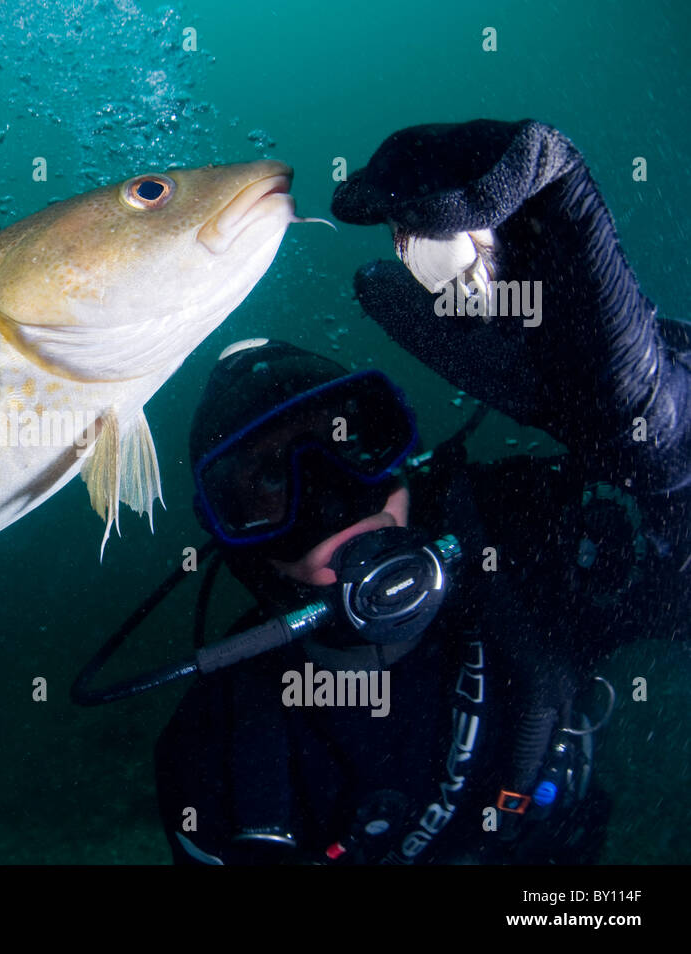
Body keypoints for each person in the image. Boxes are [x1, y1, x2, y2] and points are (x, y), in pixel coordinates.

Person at [154, 119, 691, 864]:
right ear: (233, 542)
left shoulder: (523, 540)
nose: (341, 501)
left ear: (402, 450)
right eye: (268, 484)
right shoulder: (222, 756)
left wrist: (662, 451)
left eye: (353, 441)